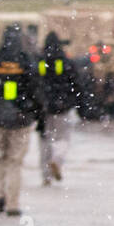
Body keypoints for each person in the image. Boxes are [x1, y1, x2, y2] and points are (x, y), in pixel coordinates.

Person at [0, 23, 43, 216]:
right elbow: (36, 93)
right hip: (21, 120)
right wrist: (39, 117)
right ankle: (13, 203)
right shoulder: (26, 63)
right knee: (15, 162)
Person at [36, 31, 84, 186]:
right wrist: (75, 103)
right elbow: (76, 84)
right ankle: (57, 159)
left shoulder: (40, 62)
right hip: (62, 107)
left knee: (44, 140)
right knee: (62, 139)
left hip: (43, 108)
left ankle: (46, 175)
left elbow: (33, 83)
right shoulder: (66, 62)